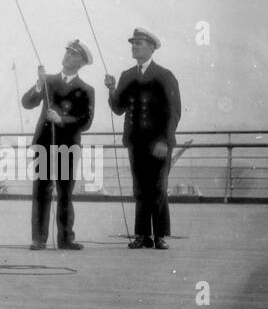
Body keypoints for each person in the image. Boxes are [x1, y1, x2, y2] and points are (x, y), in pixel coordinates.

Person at [104, 28, 182, 250]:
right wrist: (111, 90)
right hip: (136, 142)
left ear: (151, 47)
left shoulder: (164, 75)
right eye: (133, 43)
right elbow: (118, 108)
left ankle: (159, 236)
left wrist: (164, 141)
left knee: (158, 188)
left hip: (158, 143)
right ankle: (141, 235)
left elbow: (173, 112)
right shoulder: (127, 75)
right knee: (140, 189)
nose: (134, 47)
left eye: (138, 43)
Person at [21, 40, 95, 251]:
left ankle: (66, 238)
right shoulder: (48, 81)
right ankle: (38, 239)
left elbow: (86, 121)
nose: (68, 56)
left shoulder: (86, 89)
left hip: (68, 146)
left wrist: (61, 119)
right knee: (41, 190)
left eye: (73, 55)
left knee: (65, 191)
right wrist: (38, 83)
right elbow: (27, 103)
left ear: (81, 62)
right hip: (44, 143)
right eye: (67, 52)